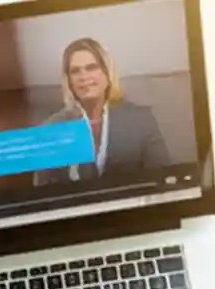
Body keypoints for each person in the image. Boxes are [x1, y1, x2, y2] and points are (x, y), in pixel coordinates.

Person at [33, 37, 170, 185]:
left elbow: (163, 179)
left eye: (91, 67)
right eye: (75, 71)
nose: (84, 77)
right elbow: (42, 193)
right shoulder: (50, 129)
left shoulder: (141, 120)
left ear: (107, 74)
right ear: (69, 81)